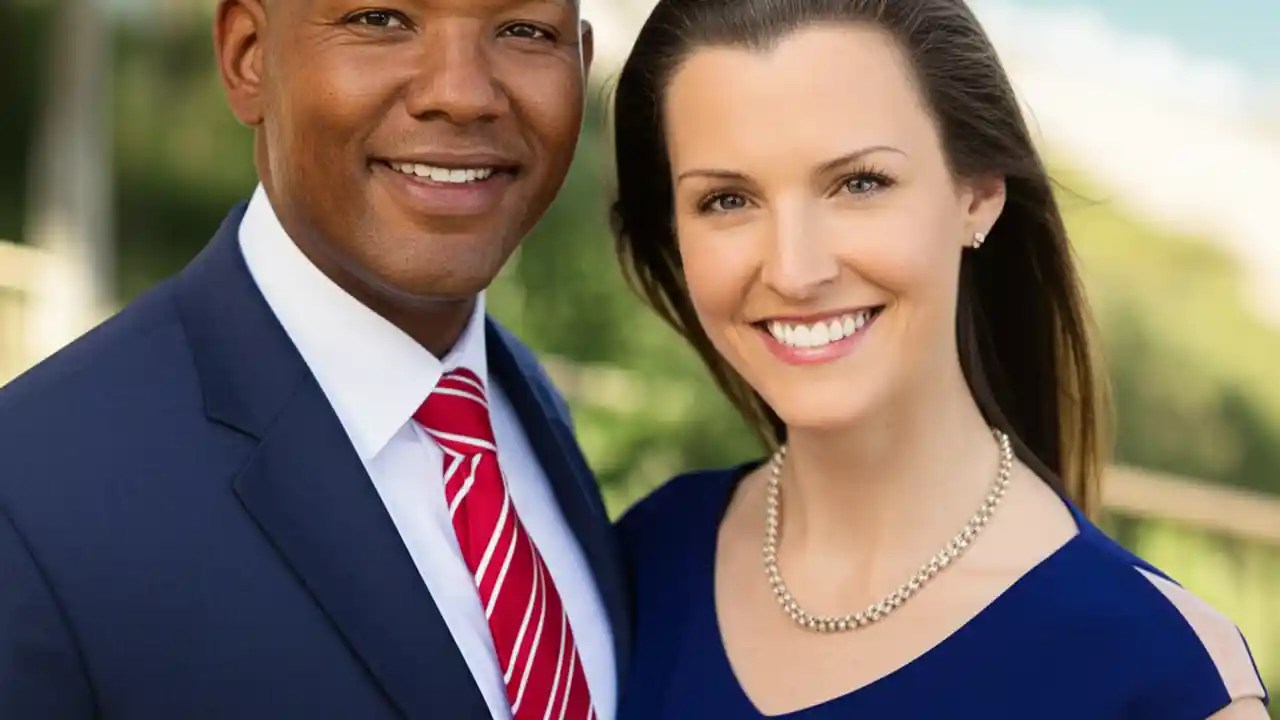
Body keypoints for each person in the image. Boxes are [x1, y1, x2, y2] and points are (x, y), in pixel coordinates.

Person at [609, 0, 1269, 718]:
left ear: (978, 194)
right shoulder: (648, 558)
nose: (795, 271)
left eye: (859, 183)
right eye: (728, 199)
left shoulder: (1160, 676)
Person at [0, 1, 626, 718]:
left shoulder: (531, 413)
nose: (461, 93)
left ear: (578, 60)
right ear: (248, 55)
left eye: (524, 31)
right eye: (382, 19)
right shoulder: (31, 500)